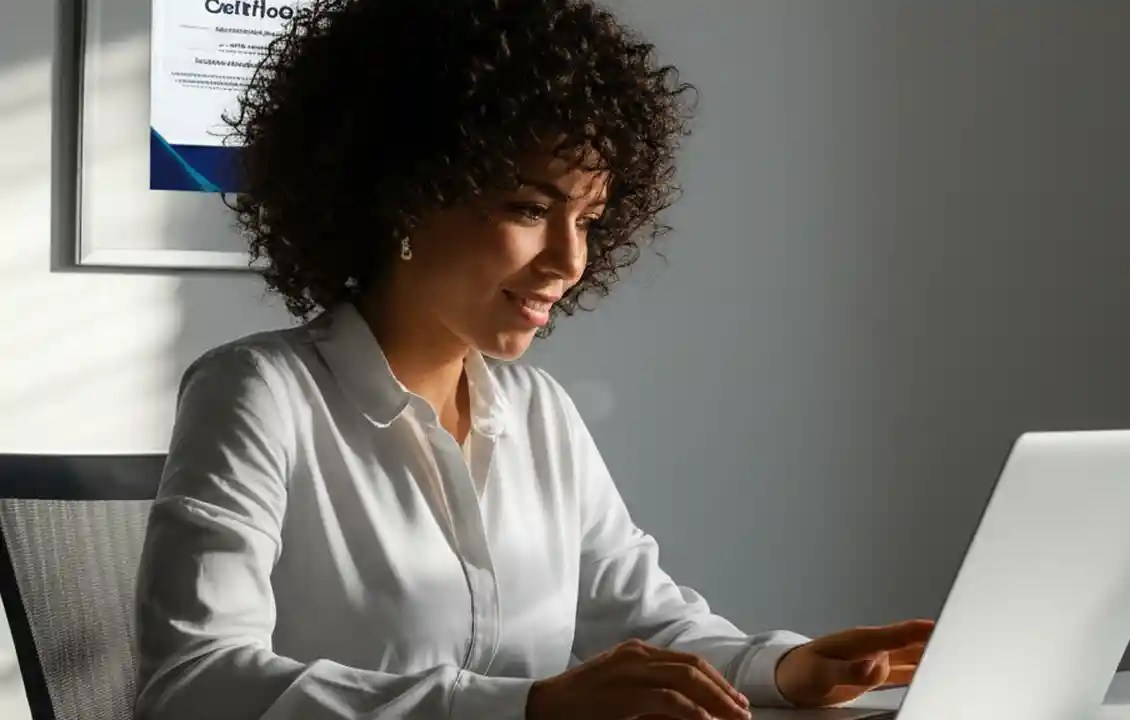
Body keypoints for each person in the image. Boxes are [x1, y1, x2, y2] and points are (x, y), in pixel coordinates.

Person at [132, 1, 933, 718]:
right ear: (405, 192)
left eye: (588, 219)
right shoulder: (260, 394)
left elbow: (646, 619)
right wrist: (530, 707)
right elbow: (195, 685)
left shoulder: (538, 410)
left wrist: (789, 668)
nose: (569, 260)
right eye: (529, 208)